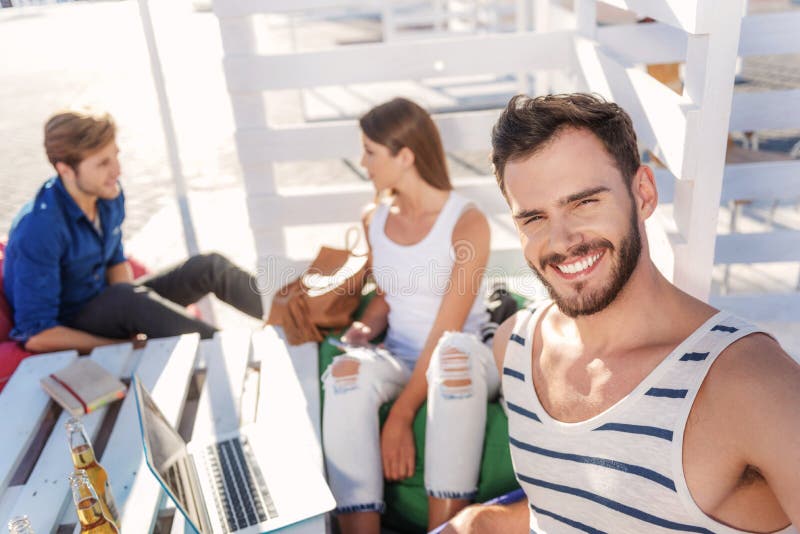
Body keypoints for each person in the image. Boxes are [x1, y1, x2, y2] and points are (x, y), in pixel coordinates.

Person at [444, 93, 800, 533]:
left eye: (584, 202)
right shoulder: (517, 346)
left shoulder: (752, 385)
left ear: (644, 194)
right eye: (534, 218)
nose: (561, 240)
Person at [322, 97, 496, 533]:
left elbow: (446, 330)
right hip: (398, 356)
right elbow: (390, 292)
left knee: (452, 361)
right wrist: (368, 324)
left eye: (370, 151)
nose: (363, 162)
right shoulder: (374, 218)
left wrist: (400, 416)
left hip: (462, 353)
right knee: (344, 375)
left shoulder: (467, 223)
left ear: (405, 155)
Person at [3, 108, 265, 354]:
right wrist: (118, 345)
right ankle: (234, 353)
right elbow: (36, 335)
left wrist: (137, 317)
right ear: (66, 170)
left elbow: (116, 264)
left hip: (112, 304)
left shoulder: (107, 195)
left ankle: (293, 314)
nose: (117, 170)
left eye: (116, 155)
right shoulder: (39, 229)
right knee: (124, 299)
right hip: (72, 326)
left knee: (208, 267)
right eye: (103, 163)